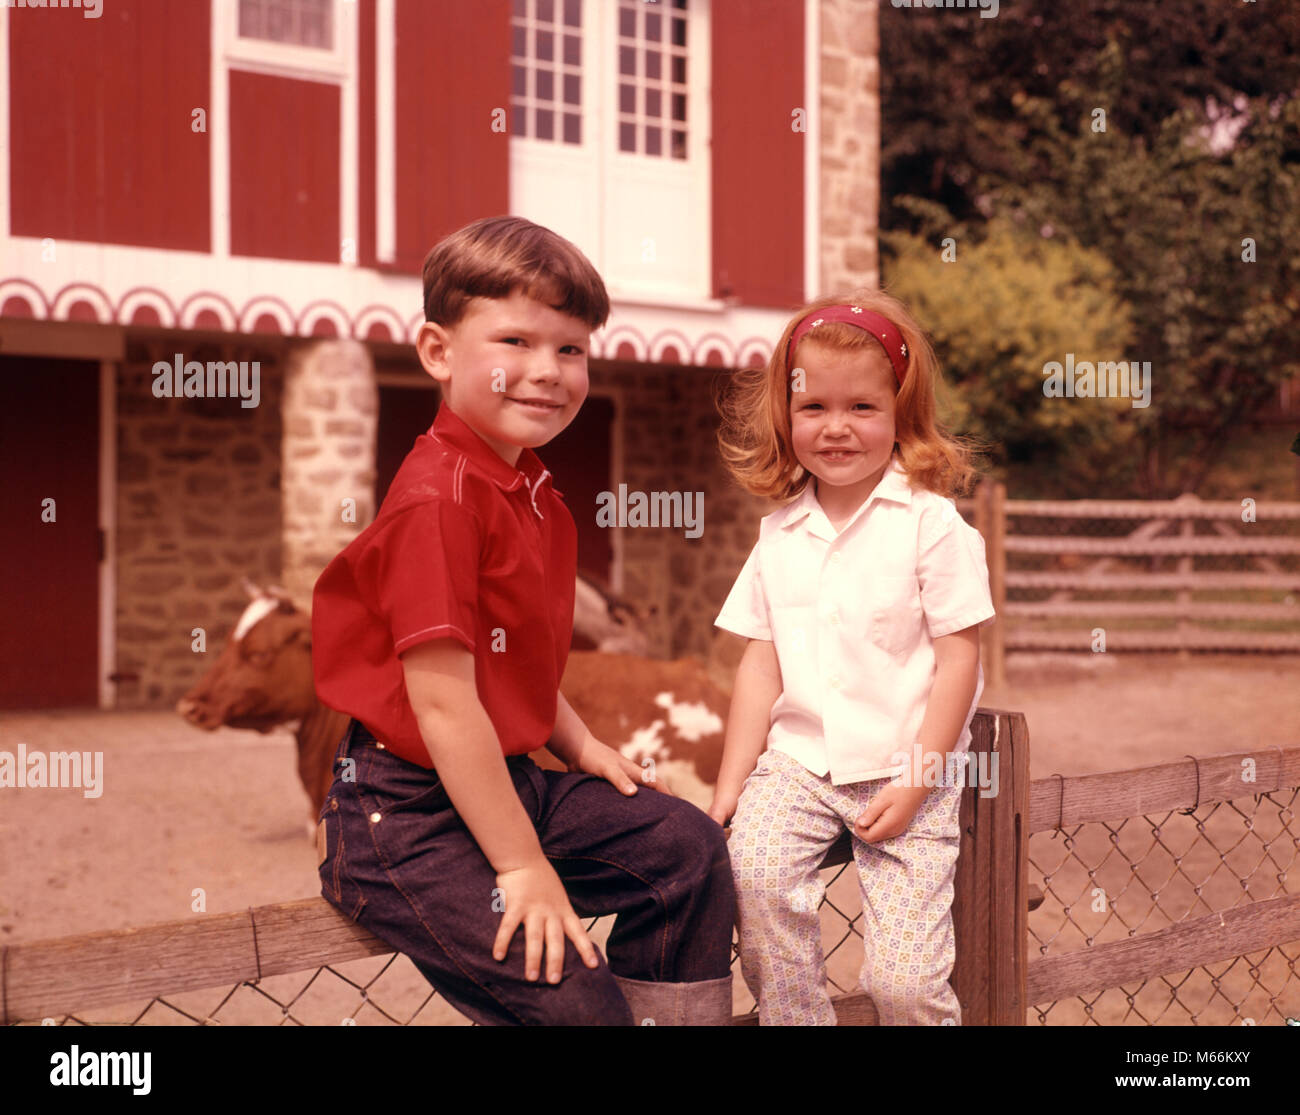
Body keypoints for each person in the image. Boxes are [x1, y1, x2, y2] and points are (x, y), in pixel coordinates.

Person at [311, 215, 735, 1026]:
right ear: (438, 351)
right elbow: (442, 705)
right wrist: (523, 865)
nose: (547, 371)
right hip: (402, 821)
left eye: (570, 349)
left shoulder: (533, 494)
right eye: (515, 341)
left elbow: (518, 664)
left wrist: (578, 744)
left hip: (509, 780)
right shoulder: (438, 502)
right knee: (578, 1003)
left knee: (686, 849)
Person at [707, 290, 995, 1026]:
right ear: (785, 414)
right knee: (758, 876)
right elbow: (760, 662)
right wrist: (731, 784)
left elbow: (960, 658)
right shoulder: (780, 531)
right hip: (798, 764)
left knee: (901, 983)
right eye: (813, 408)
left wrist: (922, 773)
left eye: (862, 408)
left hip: (909, 766)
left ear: (900, 410)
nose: (836, 428)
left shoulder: (931, 525)